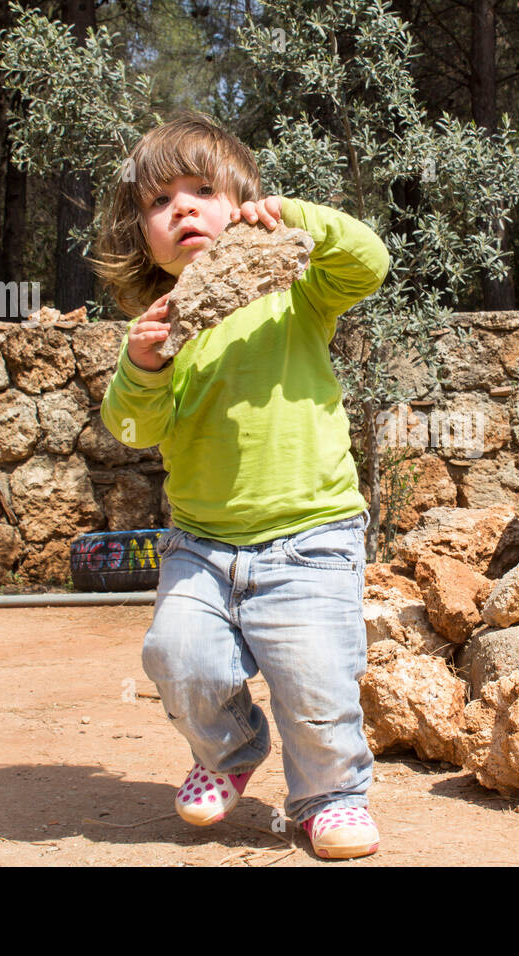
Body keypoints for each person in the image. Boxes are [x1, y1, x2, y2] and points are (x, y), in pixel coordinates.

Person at [92, 111, 389, 860]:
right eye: (159, 202)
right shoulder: (161, 325)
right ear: (145, 234)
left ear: (244, 204)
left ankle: (330, 797)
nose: (181, 208)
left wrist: (296, 218)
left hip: (313, 538)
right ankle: (227, 753)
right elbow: (133, 429)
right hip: (202, 544)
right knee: (176, 656)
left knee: (318, 689)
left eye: (201, 190)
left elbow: (370, 261)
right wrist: (144, 368)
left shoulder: (299, 296)